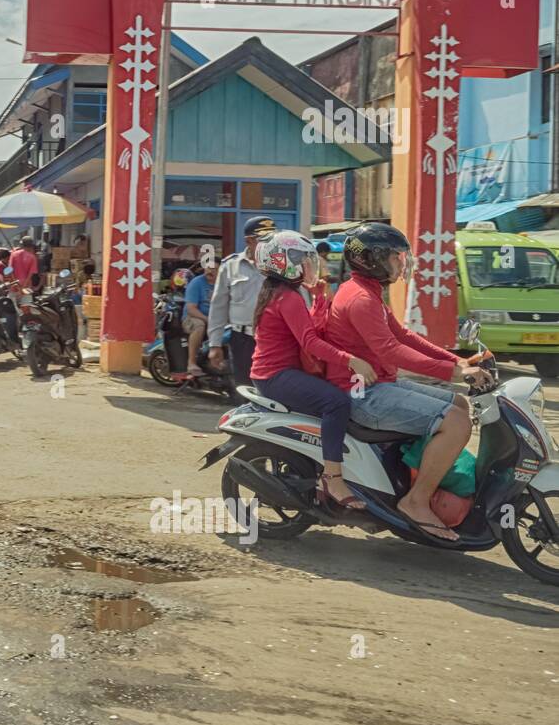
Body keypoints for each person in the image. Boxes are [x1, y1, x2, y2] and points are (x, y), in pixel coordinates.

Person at [324, 223, 488, 541]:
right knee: (456, 423)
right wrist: (453, 373)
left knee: (459, 403)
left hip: (379, 385)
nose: (401, 264)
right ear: (372, 259)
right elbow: (391, 350)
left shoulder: (368, 292)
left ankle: (421, 477)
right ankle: (416, 501)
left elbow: (403, 335)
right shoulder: (360, 298)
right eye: (396, 257)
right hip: (363, 394)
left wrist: (457, 361)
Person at [249, 231, 377, 510]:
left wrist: (319, 297)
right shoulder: (288, 297)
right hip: (276, 375)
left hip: (275, 373)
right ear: (282, 261)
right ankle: (333, 478)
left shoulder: (280, 291)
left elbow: (310, 330)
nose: (308, 264)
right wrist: (351, 360)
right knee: (337, 403)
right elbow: (311, 342)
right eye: (301, 258)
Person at [207, 216, 277, 393]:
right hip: (242, 339)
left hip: (274, 338)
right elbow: (218, 307)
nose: (271, 244)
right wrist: (215, 345)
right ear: (249, 241)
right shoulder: (230, 265)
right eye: (264, 239)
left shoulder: (280, 266)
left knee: (272, 390)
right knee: (244, 389)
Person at [183, 258, 219, 377]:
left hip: (215, 318)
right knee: (199, 325)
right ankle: (191, 362)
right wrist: (207, 319)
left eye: (214, 268)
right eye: (208, 268)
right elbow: (191, 308)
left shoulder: (223, 284)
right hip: (192, 317)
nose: (210, 271)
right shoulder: (197, 282)